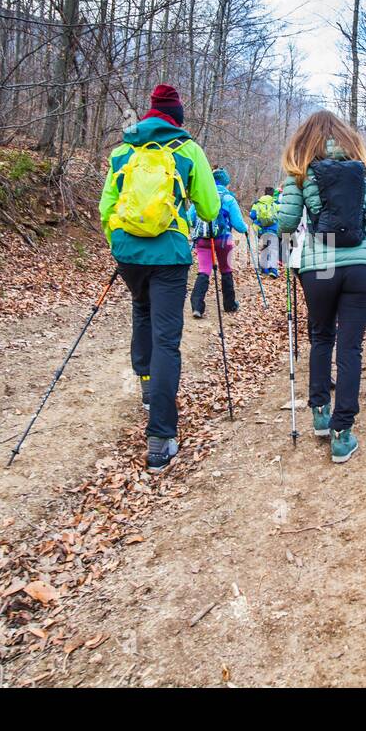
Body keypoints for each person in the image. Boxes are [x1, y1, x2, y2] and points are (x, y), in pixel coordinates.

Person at [99, 84, 219, 474]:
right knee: (167, 339)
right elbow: (210, 206)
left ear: (149, 114)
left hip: (130, 253)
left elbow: (106, 208)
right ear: (178, 115)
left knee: (141, 310)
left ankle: (146, 383)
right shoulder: (188, 150)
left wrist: (119, 242)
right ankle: (161, 437)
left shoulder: (123, 150)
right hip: (169, 254)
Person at [276, 110, 366, 463]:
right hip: (361, 261)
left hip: (322, 258)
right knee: (350, 346)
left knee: (322, 336)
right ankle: (343, 433)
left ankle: (319, 413)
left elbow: (285, 221)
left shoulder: (301, 168)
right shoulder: (362, 163)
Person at [187, 167, 248, 318]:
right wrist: (246, 227)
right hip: (223, 240)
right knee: (226, 269)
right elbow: (239, 225)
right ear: (226, 183)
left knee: (204, 270)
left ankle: (197, 306)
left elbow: (189, 218)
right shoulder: (228, 198)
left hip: (203, 239)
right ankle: (229, 304)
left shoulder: (202, 196)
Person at [250, 186, 281, 277]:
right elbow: (281, 215)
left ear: (265, 193)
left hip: (261, 231)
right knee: (273, 249)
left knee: (264, 248)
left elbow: (252, 216)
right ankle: (273, 270)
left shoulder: (257, 203)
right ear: (272, 194)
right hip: (274, 230)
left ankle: (264, 269)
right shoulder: (276, 203)